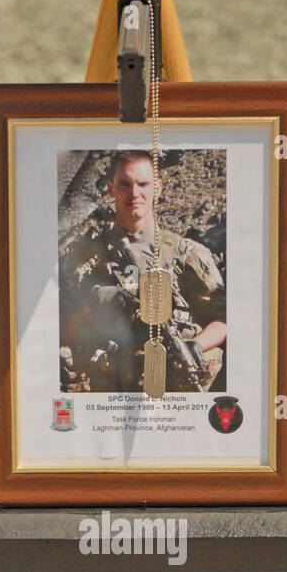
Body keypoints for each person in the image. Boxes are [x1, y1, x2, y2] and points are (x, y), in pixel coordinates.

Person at [59, 150, 227, 393]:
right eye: (125, 185)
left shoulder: (186, 253)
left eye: (143, 184)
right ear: (110, 188)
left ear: (158, 187)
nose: (134, 194)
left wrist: (196, 346)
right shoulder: (83, 256)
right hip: (109, 394)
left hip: (174, 391)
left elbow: (222, 319)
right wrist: (97, 300)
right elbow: (63, 332)